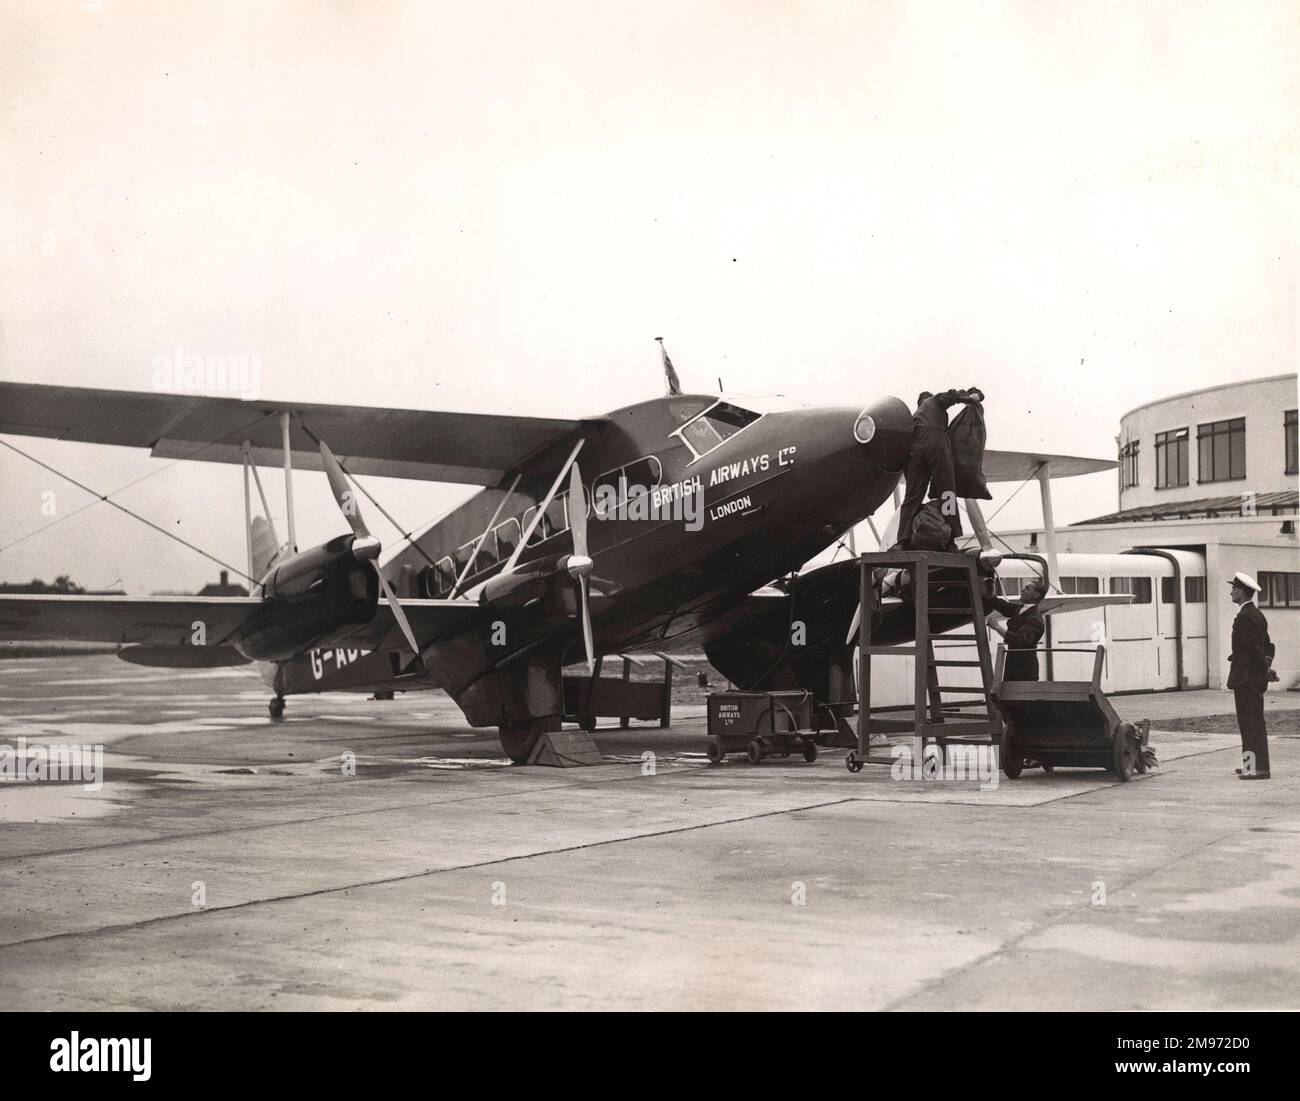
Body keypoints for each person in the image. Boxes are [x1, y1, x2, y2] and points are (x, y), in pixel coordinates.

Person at [897, 387, 984, 548]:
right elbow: (951, 396)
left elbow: (907, 463)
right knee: (948, 493)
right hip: (937, 445)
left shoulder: (914, 419)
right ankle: (950, 539)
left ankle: (902, 541)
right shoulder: (935, 401)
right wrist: (973, 398)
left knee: (912, 497)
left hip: (916, 450)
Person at [1227, 572, 1274, 780]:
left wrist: (1264, 667)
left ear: (1242, 591)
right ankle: (1250, 766)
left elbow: (1254, 649)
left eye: (1233, 589)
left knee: (1249, 724)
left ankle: (1258, 769)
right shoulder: (1257, 615)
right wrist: (1266, 667)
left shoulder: (1245, 617)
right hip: (1252, 677)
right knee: (1252, 723)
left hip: (1246, 677)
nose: (1231, 592)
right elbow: (1268, 646)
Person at [986, 578, 1047, 681]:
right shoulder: (1020, 609)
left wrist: (997, 627)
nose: (1023, 590)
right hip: (1013, 666)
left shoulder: (1035, 618)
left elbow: (1020, 641)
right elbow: (1003, 606)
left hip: (1025, 671)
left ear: (1036, 595)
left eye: (1027, 588)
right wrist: (988, 592)